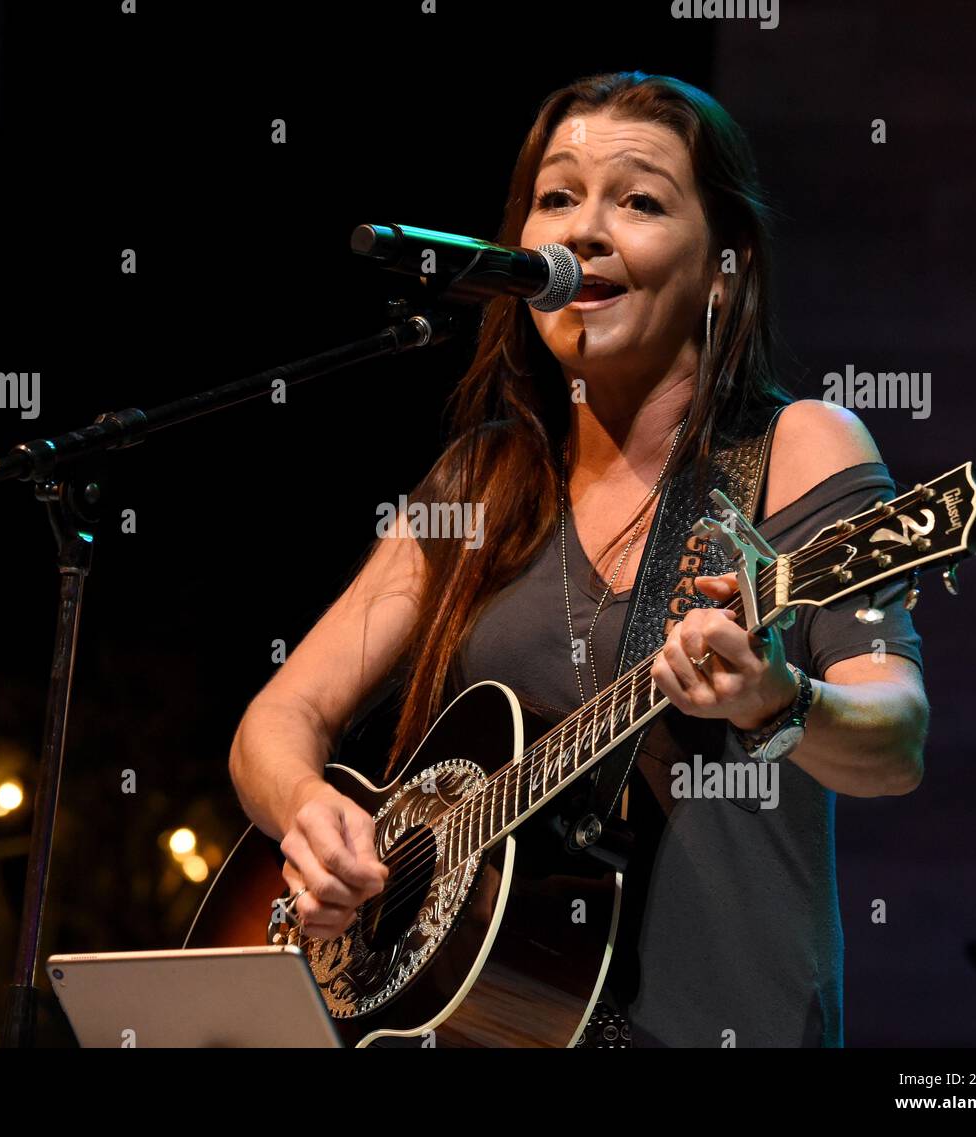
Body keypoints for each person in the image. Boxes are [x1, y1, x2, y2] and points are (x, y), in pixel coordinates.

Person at [228, 71, 928, 1047]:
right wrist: (309, 812)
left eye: (638, 201)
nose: (584, 232)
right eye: (557, 197)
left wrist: (777, 699)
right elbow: (278, 716)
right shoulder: (479, 485)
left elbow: (894, 741)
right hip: (501, 1027)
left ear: (723, 263)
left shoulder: (797, 446)